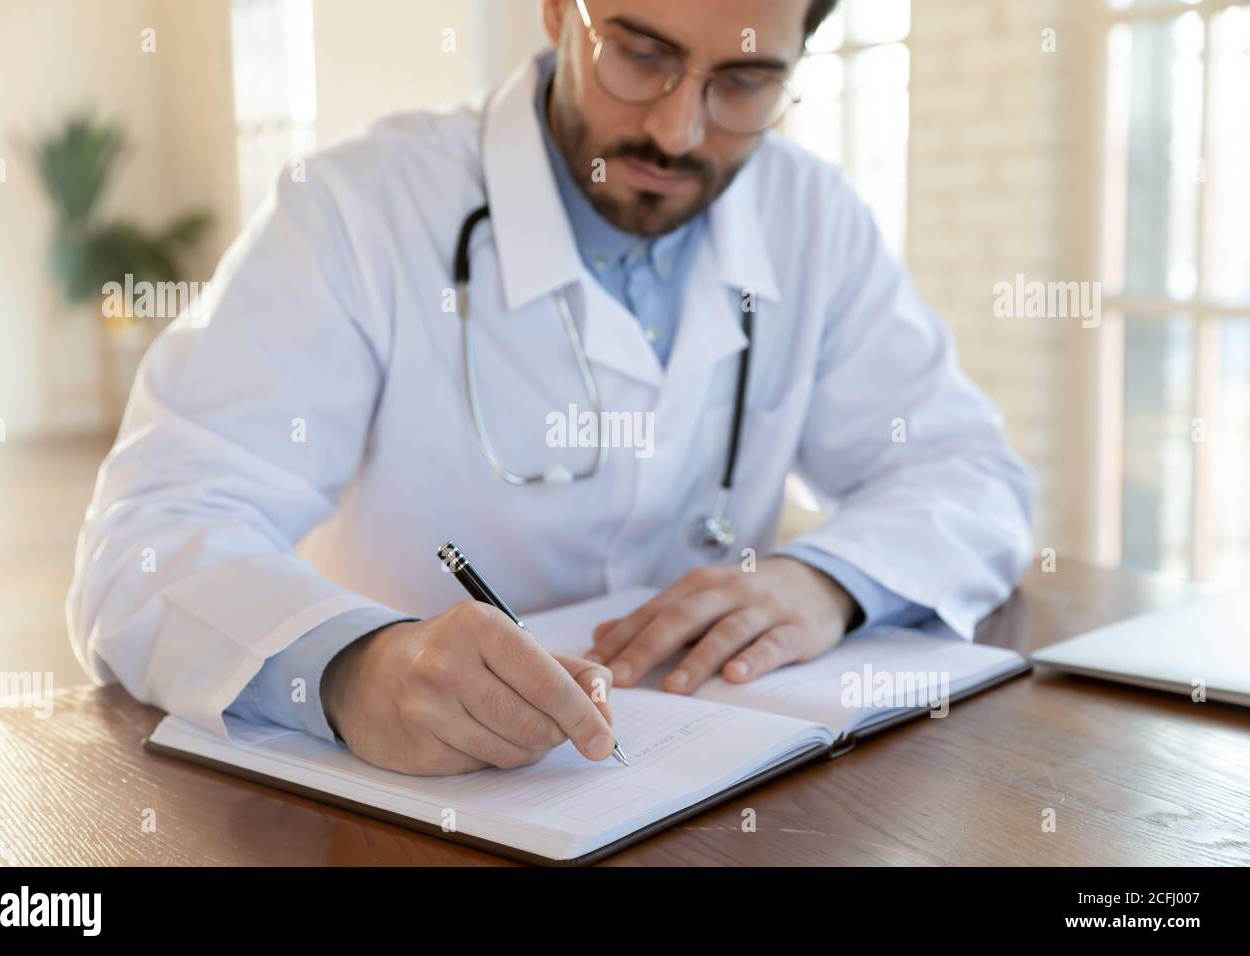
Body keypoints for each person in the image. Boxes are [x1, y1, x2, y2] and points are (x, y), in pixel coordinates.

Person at [67, 0, 1035, 776]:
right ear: (554, 12)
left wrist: (826, 580)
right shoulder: (353, 212)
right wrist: (356, 667)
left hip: (706, 797)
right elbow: (148, 537)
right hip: (414, 811)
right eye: (639, 52)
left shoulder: (812, 217)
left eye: (743, 82)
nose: (676, 126)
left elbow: (970, 472)